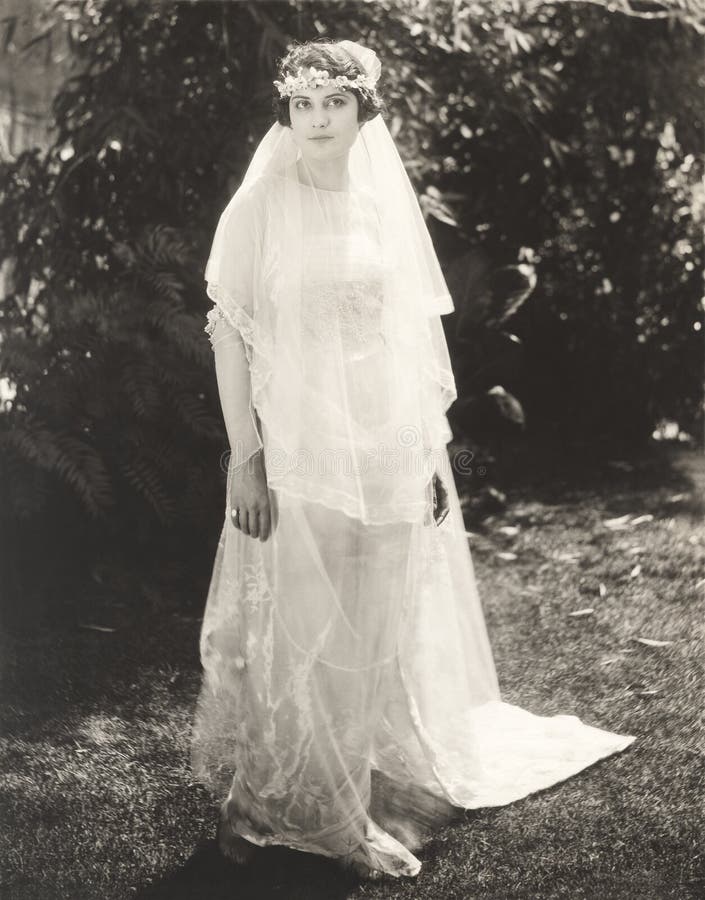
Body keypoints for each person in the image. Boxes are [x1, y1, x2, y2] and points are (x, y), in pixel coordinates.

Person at [190, 38, 636, 881]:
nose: (317, 119)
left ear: (365, 112)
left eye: (335, 103)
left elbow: (406, 348)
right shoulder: (259, 208)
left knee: (369, 635)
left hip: (385, 444)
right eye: (303, 103)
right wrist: (242, 457)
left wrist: (428, 457)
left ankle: (341, 810)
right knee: (300, 630)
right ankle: (264, 806)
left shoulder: (376, 210)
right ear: (288, 111)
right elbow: (229, 337)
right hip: (300, 447)